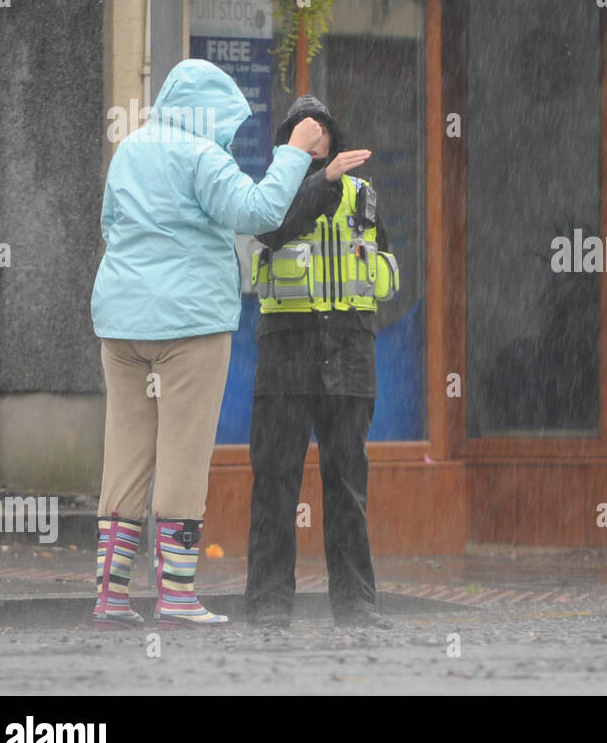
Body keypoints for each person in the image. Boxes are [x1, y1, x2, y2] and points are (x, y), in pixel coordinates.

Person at [90, 59, 326, 630]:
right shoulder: (201, 156)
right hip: (188, 325)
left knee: (125, 456)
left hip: (121, 324)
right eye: (228, 121)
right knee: (184, 456)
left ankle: (111, 599)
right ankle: (176, 597)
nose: (230, 133)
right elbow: (260, 212)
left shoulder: (131, 148)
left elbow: (109, 224)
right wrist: (294, 151)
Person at [244, 95, 396, 629]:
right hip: (286, 354)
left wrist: (337, 182)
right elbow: (274, 230)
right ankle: (268, 604)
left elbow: (381, 265)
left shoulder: (363, 194)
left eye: (322, 127)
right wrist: (323, 179)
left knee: (348, 486)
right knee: (275, 484)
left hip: (350, 356)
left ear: (335, 134)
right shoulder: (273, 191)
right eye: (302, 128)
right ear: (288, 138)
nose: (314, 134)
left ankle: (356, 605)